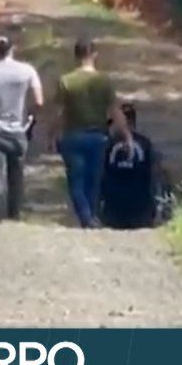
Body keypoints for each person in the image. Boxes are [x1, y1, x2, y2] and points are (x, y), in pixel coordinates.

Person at [49, 37, 134, 228]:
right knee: (94, 180)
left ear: (75, 56)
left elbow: (59, 113)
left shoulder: (66, 81)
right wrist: (127, 136)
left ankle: (87, 218)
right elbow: (114, 111)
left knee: (76, 182)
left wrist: (53, 135)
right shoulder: (103, 81)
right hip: (98, 136)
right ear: (94, 55)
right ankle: (90, 217)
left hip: (73, 136)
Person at [0, 32, 44, 223]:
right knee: (17, 175)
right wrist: (29, 117)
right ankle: (14, 215)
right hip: (17, 130)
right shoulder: (27, 71)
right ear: (13, 49)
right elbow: (39, 101)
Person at [100, 103, 170, 229]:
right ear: (134, 121)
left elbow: (98, 176)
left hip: (112, 214)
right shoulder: (146, 144)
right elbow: (156, 176)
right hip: (141, 213)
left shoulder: (107, 145)